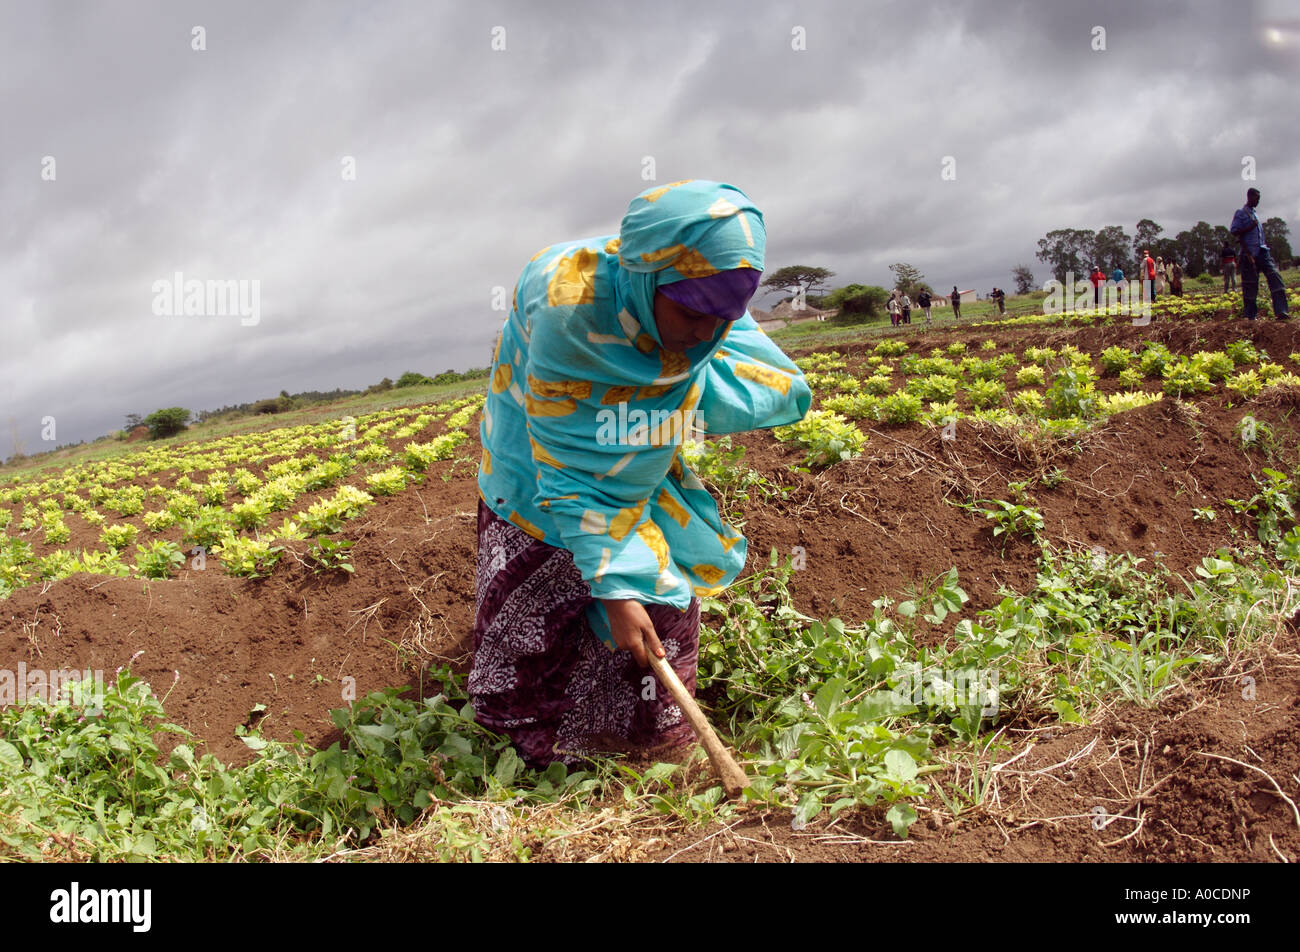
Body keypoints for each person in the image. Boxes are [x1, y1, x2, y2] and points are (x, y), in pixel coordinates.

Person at [471, 180, 811, 767]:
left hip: (635, 462)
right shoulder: (569, 311)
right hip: (537, 467)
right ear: (649, 277)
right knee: (542, 609)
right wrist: (613, 584)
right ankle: (527, 755)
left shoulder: (702, 303)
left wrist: (627, 588)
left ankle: (645, 748)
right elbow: (570, 469)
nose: (706, 335)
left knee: (659, 612)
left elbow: (772, 382)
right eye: (693, 313)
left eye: (725, 317)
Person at [1231, 187, 1291, 321]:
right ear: (1249, 197)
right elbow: (1234, 231)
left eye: (1259, 198)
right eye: (1256, 198)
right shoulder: (1241, 213)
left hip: (1263, 252)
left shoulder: (1255, 213)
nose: (1258, 201)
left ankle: (1281, 312)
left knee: (1276, 279)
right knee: (1250, 286)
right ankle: (1250, 317)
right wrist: (1250, 227)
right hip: (1249, 254)